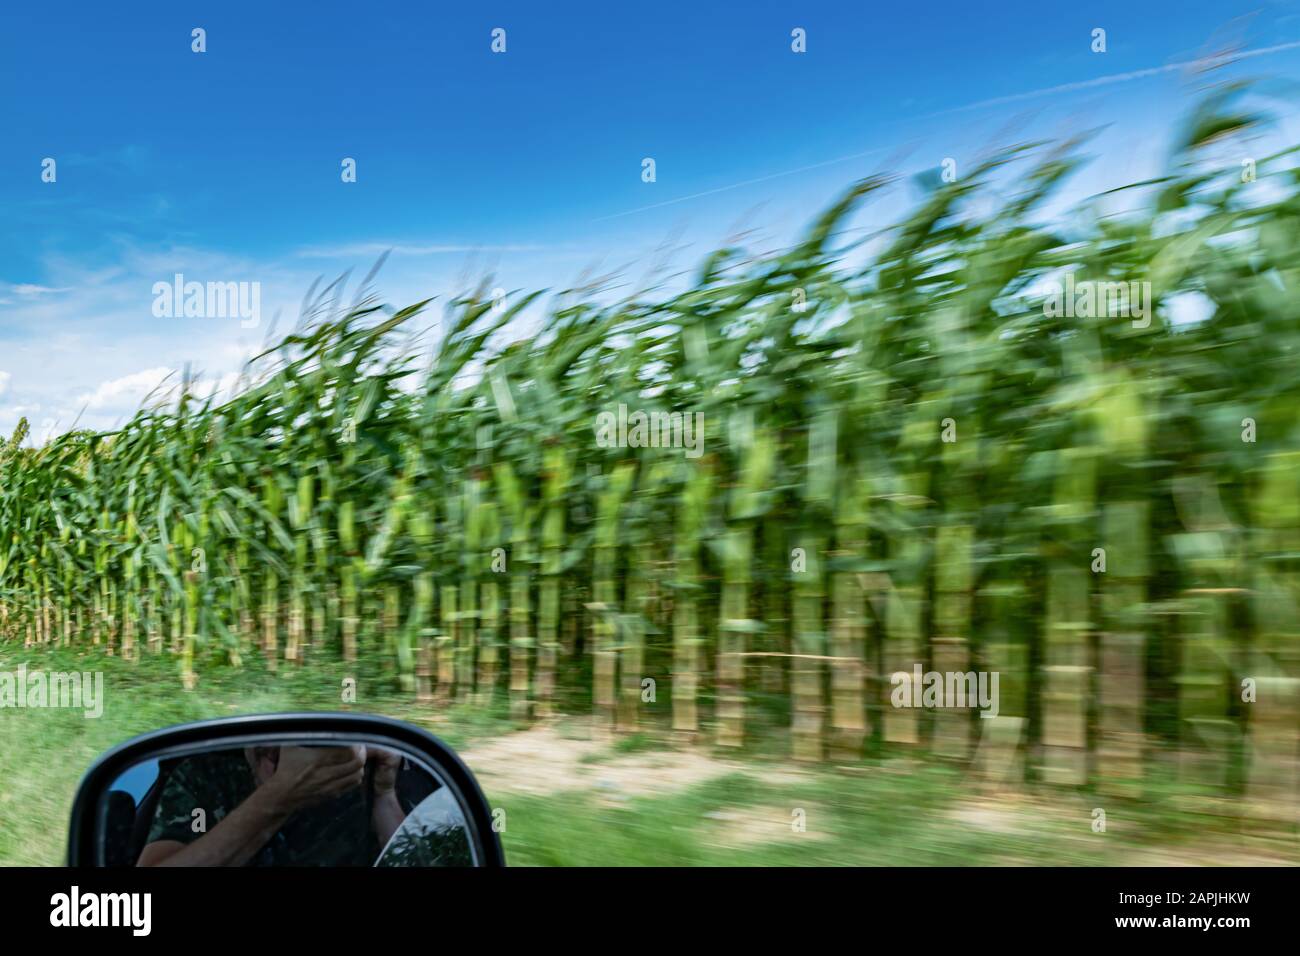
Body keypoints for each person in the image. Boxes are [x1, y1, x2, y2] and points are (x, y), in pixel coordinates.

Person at [136, 744, 407, 866]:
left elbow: (423, 854)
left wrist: (384, 794)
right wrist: (281, 794)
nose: (281, 750)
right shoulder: (208, 776)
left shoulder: (353, 775)